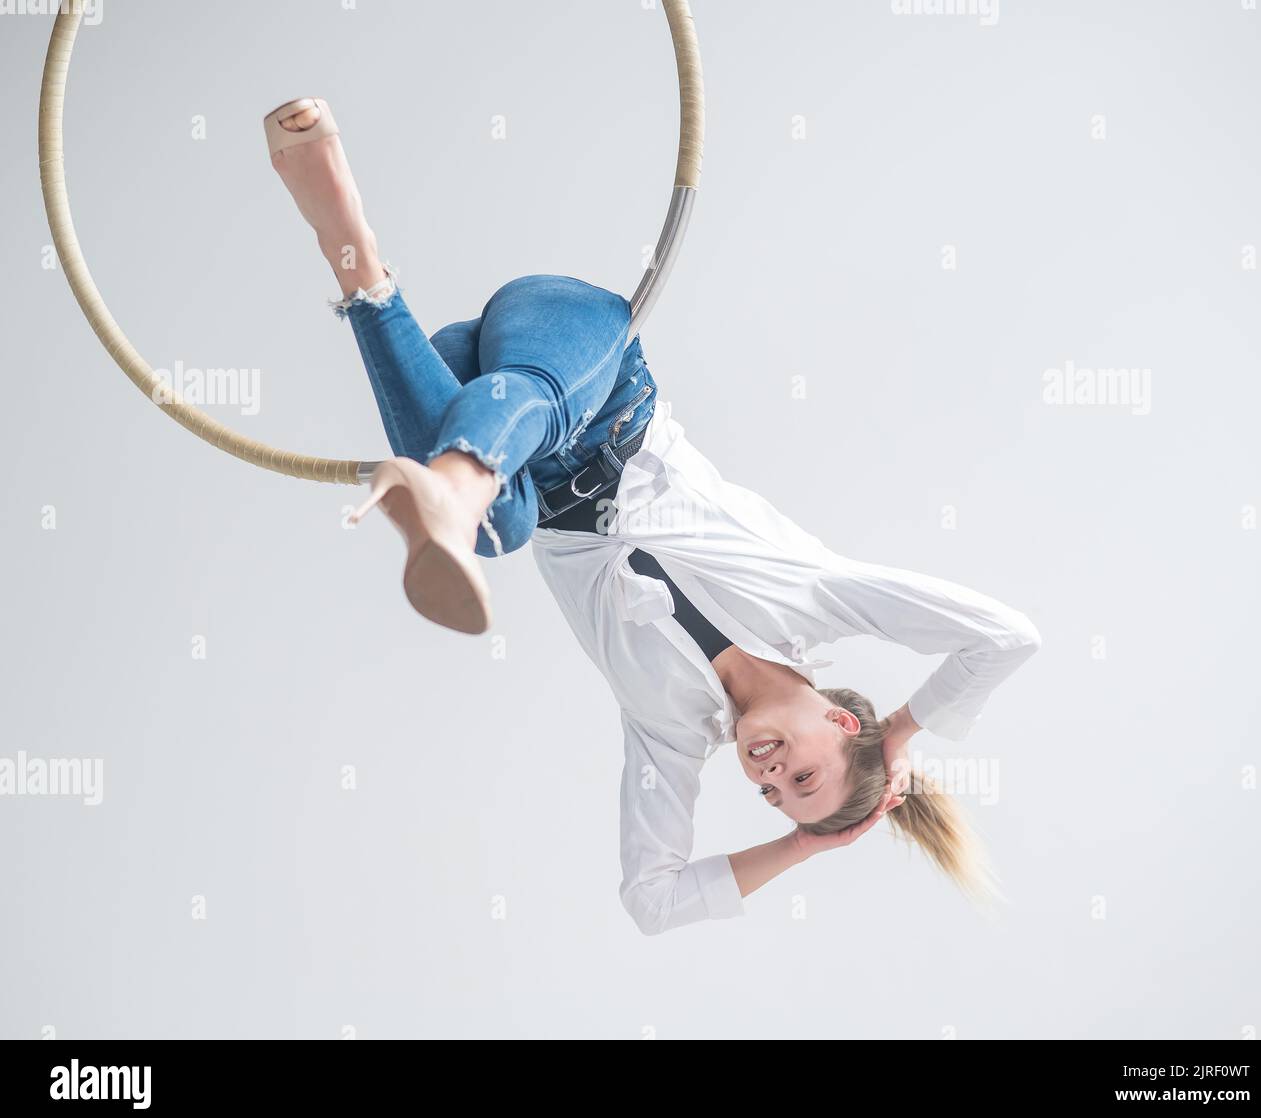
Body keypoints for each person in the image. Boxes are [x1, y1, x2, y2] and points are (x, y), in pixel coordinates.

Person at [266, 98, 1042, 935]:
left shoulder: (668, 731)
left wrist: (807, 843)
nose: (771, 780)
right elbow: (1005, 637)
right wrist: (901, 734)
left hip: (474, 409)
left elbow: (655, 900)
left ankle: (358, 266)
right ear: (840, 720)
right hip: (579, 361)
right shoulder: (819, 598)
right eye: (803, 780)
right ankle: (455, 481)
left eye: (770, 796)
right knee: (501, 479)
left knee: (503, 529)